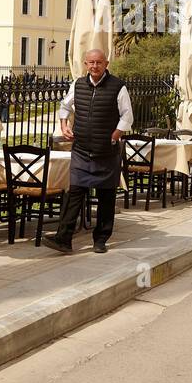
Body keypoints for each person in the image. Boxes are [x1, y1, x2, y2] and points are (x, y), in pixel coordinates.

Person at [44, 49, 133, 255]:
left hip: (106, 152)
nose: (94, 66)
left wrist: (114, 136)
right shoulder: (77, 84)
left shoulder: (118, 87)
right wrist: (63, 124)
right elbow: (65, 105)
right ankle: (63, 239)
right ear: (85, 64)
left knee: (106, 195)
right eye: (91, 62)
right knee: (74, 193)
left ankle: (101, 239)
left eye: (99, 62)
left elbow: (127, 116)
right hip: (81, 150)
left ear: (106, 64)